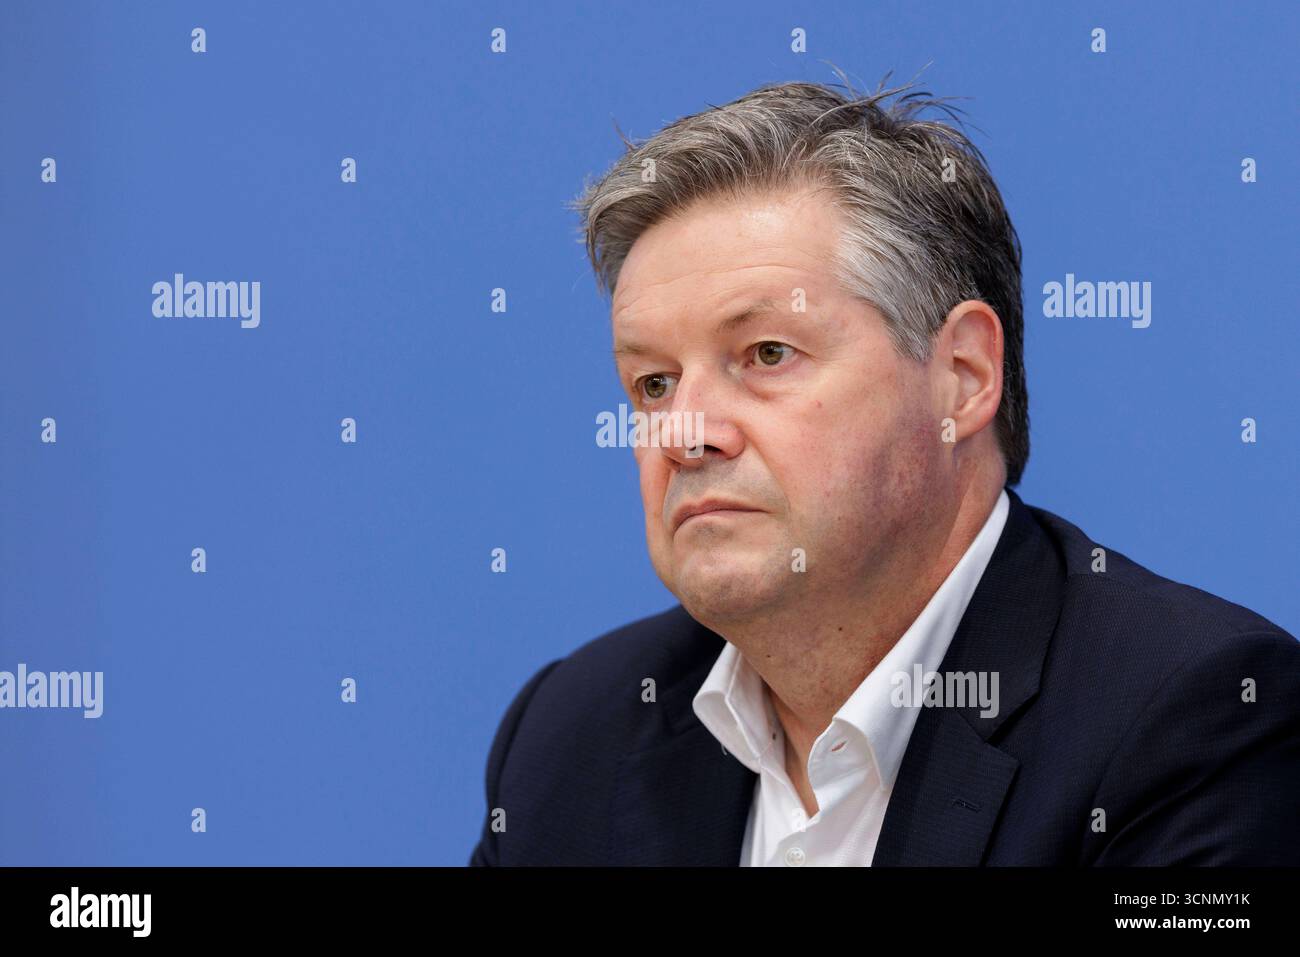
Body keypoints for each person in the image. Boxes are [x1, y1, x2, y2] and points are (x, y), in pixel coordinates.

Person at [469, 76, 1300, 866]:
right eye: (654, 383)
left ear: (964, 376)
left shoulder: (1190, 718)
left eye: (765, 354)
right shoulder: (572, 736)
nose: (685, 431)